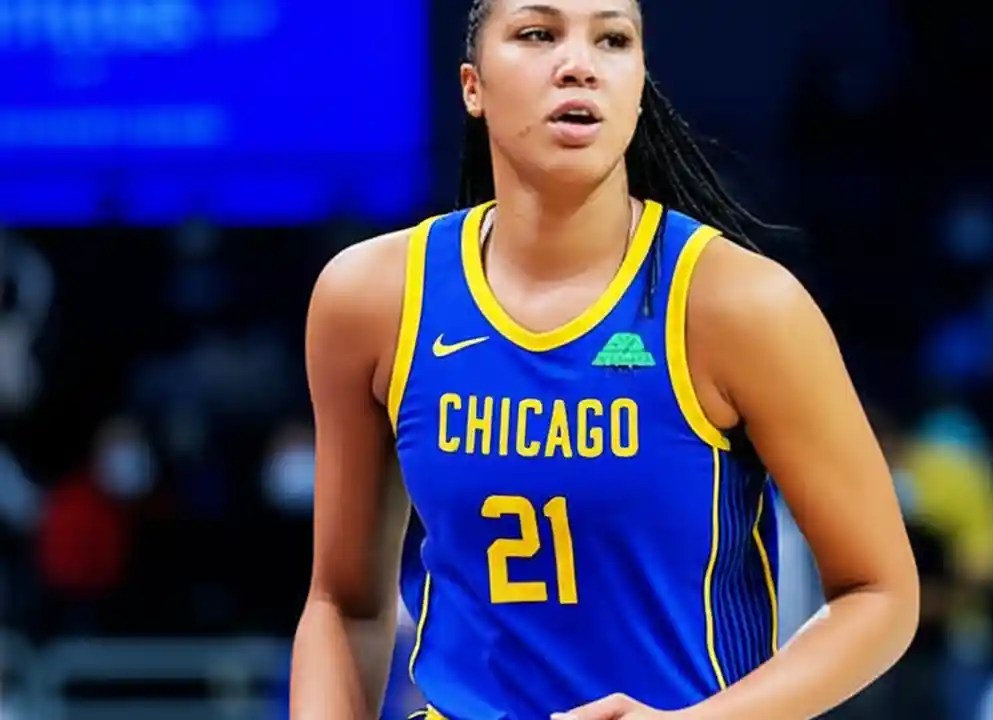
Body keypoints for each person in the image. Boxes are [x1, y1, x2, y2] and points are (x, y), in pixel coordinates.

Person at [290, 1, 919, 718]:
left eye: (613, 39)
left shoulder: (740, 304)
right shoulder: (371, 297)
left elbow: (882, 594)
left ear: (641, 81)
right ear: (473, 86)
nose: (579, 64)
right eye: (538, 34)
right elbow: (343, 603)